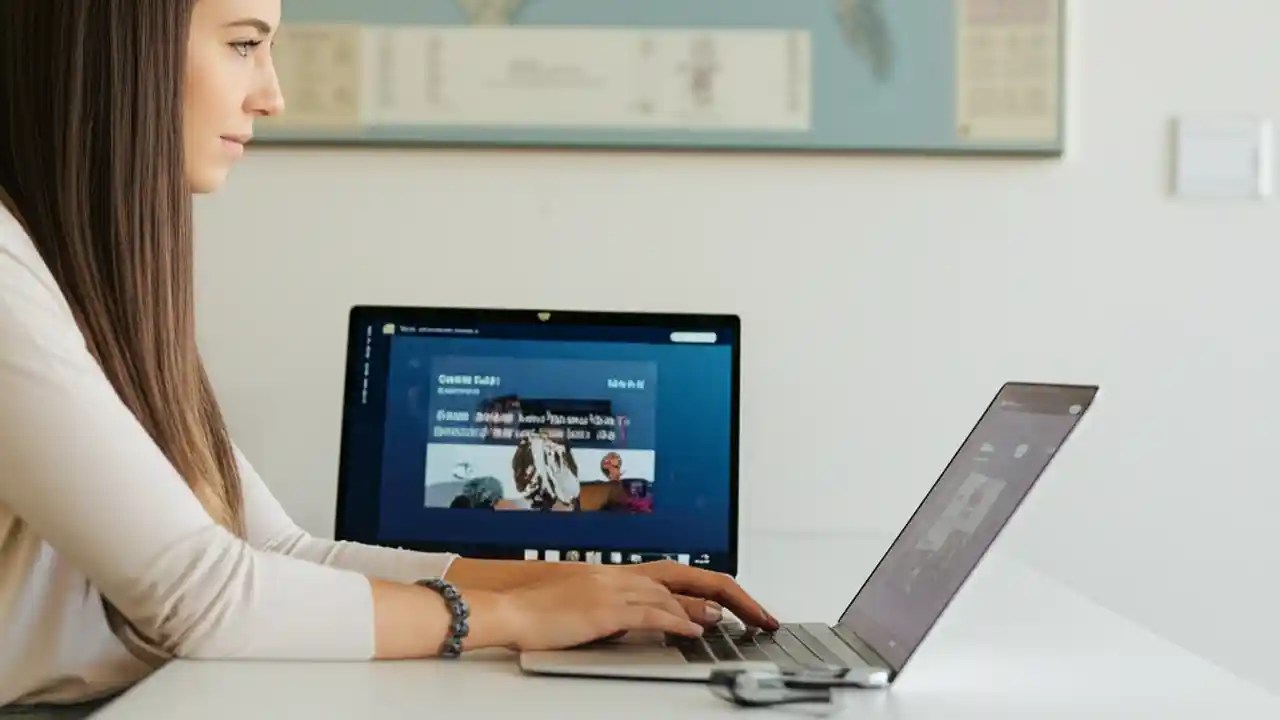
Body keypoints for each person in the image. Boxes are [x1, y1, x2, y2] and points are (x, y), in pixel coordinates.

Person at [0, 0, 778, 711]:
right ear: (116, 49)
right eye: (243, 46)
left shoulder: (78, 277)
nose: (271, 95)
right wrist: (518, 615)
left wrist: (585, 586)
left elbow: (276, 550)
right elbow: (205, 597)